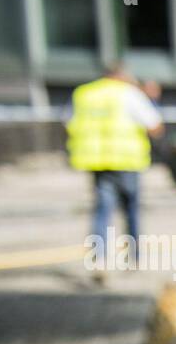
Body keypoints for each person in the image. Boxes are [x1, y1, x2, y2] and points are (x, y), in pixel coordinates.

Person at [66, 61, 165, 265]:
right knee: (131, 209)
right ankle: (134, 258)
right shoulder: (129, 93)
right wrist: (151, 99)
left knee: (102, 210)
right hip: (127, 160)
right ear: (122, 75)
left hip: (96, 161)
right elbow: (155, 126)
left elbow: (68, 122)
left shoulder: (84, 93)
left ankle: (99, 258)